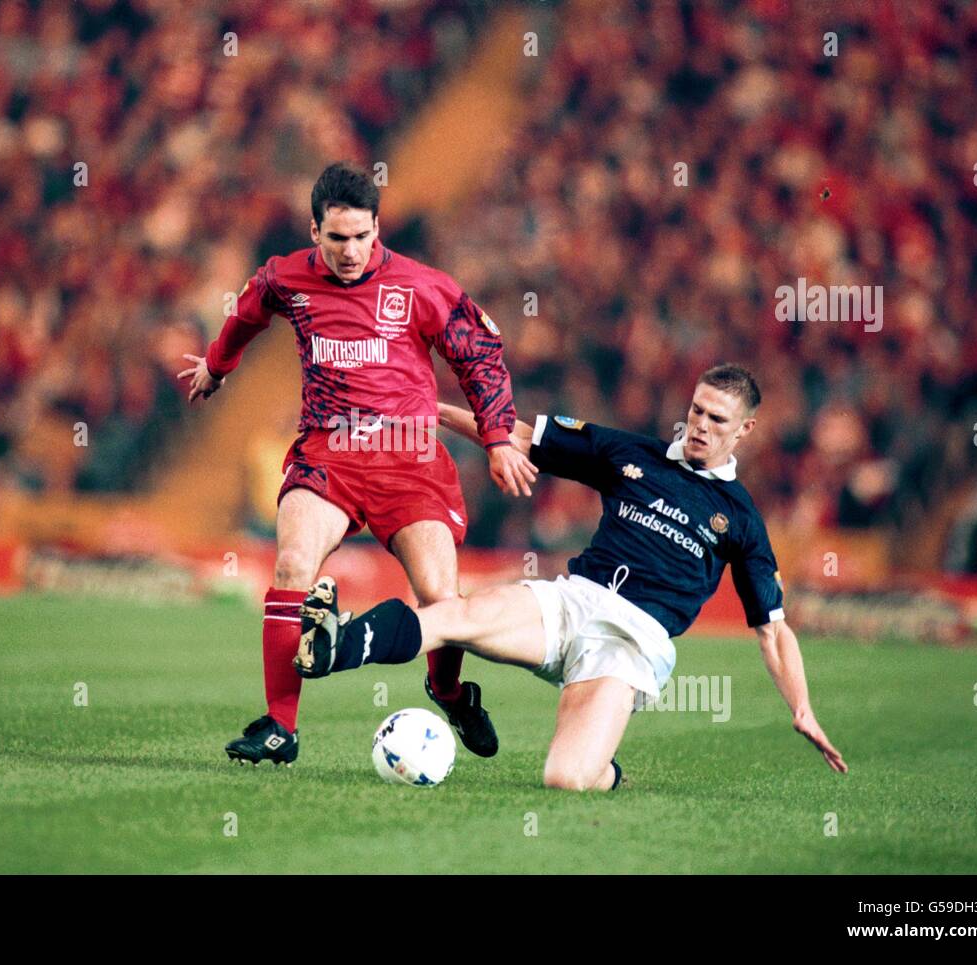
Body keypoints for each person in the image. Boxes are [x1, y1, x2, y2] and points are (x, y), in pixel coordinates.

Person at [295, 364, 848, 789]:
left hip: (631, 645)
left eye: (718, 419)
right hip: (571, 603)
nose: (701, 425)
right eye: (698, 410)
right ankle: (339, 644)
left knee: (565, 780)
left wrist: (802, 709)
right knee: (455, 613)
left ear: (745, 429)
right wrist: (431, 411)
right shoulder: (630, 453)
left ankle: (607, 771)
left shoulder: (743, 518)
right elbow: (513, 434)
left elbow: (772, 630)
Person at [178, 161, 537, 765]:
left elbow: (480, 357)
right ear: (314, 230)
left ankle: (448, 690)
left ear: (378, 229)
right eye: (338, 237)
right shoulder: (286, 278)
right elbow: (245, 314)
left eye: (363, 236)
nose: (351, 251)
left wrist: (499, 437)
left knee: (439, 595)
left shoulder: (421, 286)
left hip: (411, 460)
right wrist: (217, 365)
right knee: (291, 564)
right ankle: (279, 727)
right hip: (329, 452)